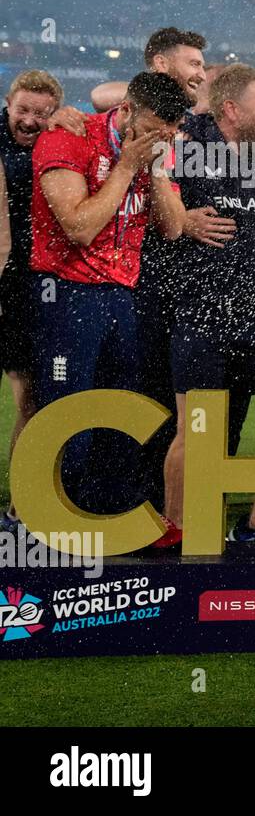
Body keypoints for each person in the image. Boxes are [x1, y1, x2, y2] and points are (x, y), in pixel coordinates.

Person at [28, 72, 188, 510]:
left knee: (120, 413)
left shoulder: (158, 151)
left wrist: (154, 169)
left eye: (172, 127)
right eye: (158, 124)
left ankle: (107, 517)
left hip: (122, 294)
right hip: (67, 292)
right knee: (67, 411)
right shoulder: (69, 137)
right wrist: (126, 167)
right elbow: (79, 228)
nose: (166, 134)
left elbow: (173, 228)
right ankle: (54, 519)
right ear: (128, 110)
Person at [162, 64, 255, 547]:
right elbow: (129, 112)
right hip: (202, 312)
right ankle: (176, 527)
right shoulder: (185, 148)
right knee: (194, 432)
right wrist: (181, 217)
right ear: (230, 109)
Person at [0, 70, 62, 530]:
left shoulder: (59, 141)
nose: (30, 121)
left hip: (28, 292)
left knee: (33, 404)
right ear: (8, 104)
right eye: (23, 110)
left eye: (42, 113)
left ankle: (20, 509)